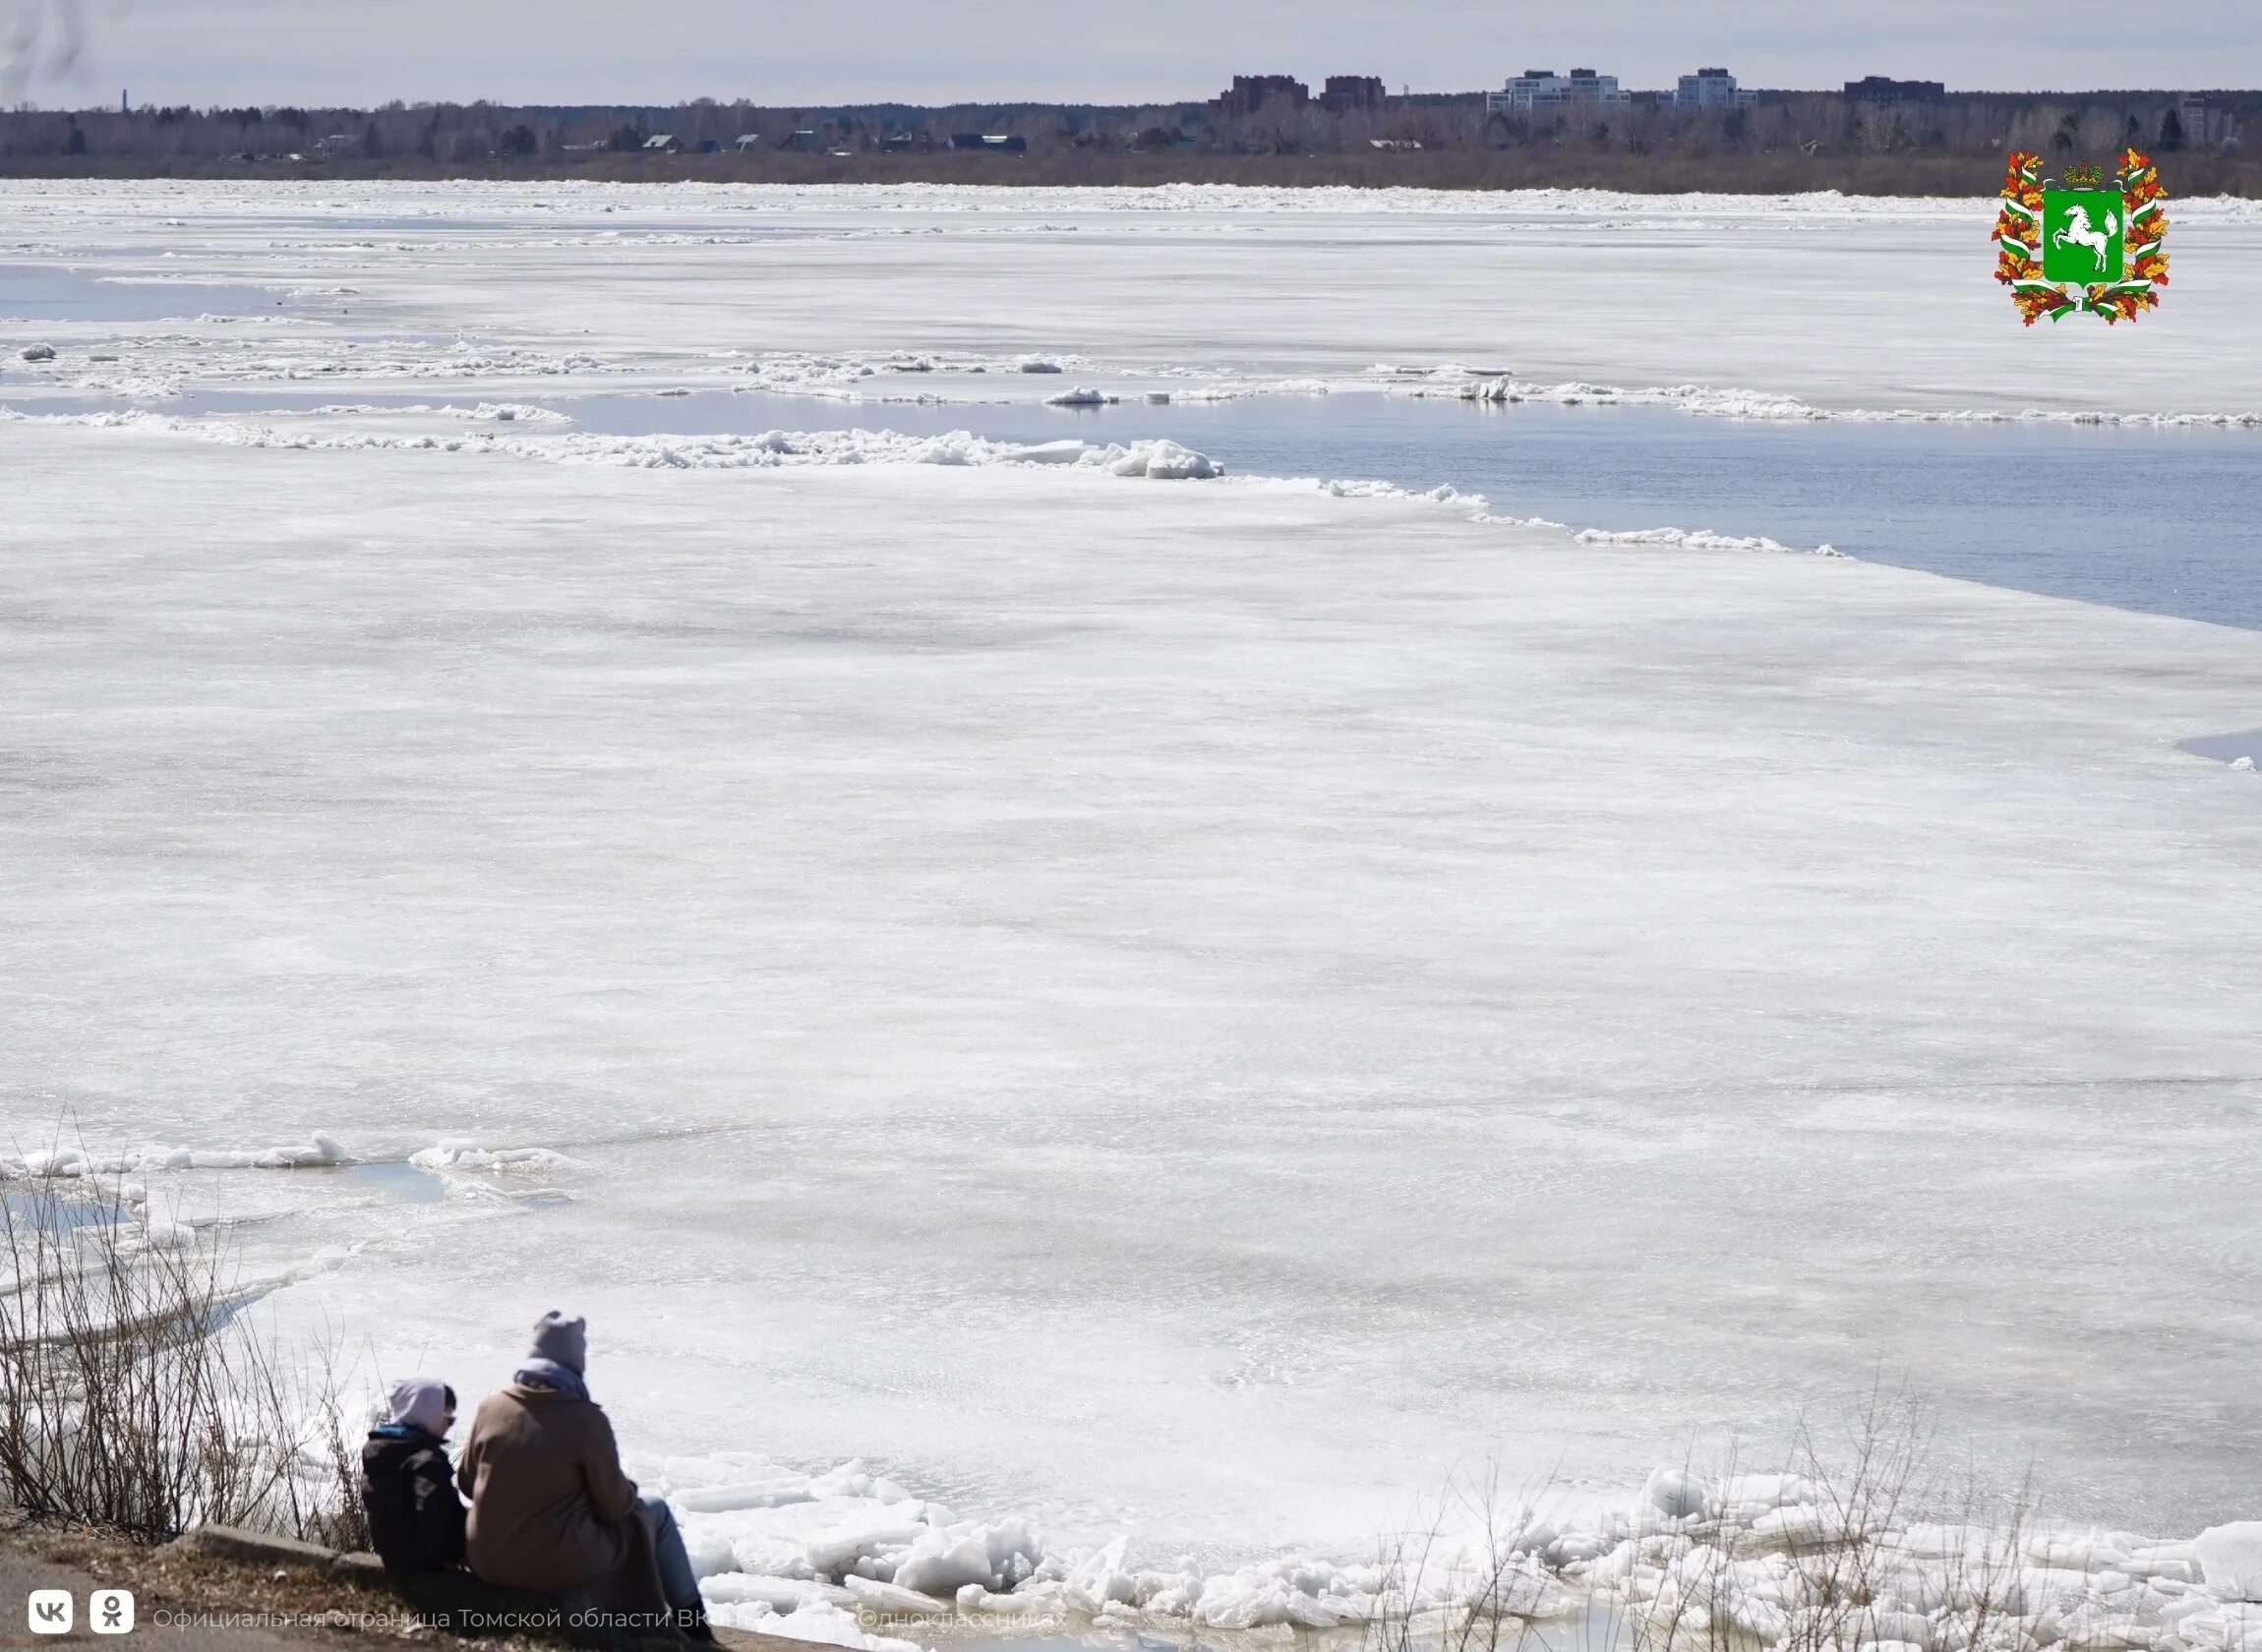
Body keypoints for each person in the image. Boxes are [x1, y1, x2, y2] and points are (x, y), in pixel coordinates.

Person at [456, 1311, 712, 1642]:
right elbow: (615, 1507)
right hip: (556, 1565)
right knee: (655, 1512)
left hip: (488, 1560)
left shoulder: (490, 1409)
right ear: (576, 1364)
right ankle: (695, 1630)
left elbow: (467, 1484)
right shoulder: (586, 1420)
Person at [361, 1377, 468, 1571]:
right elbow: (435, 1512)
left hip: (393, 1557)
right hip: (427, 1566)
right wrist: (458, 1553)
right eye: (448, 1418)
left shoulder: (380, 1449)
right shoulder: (425, 1459)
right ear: (429, 1414)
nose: (449, 1425)